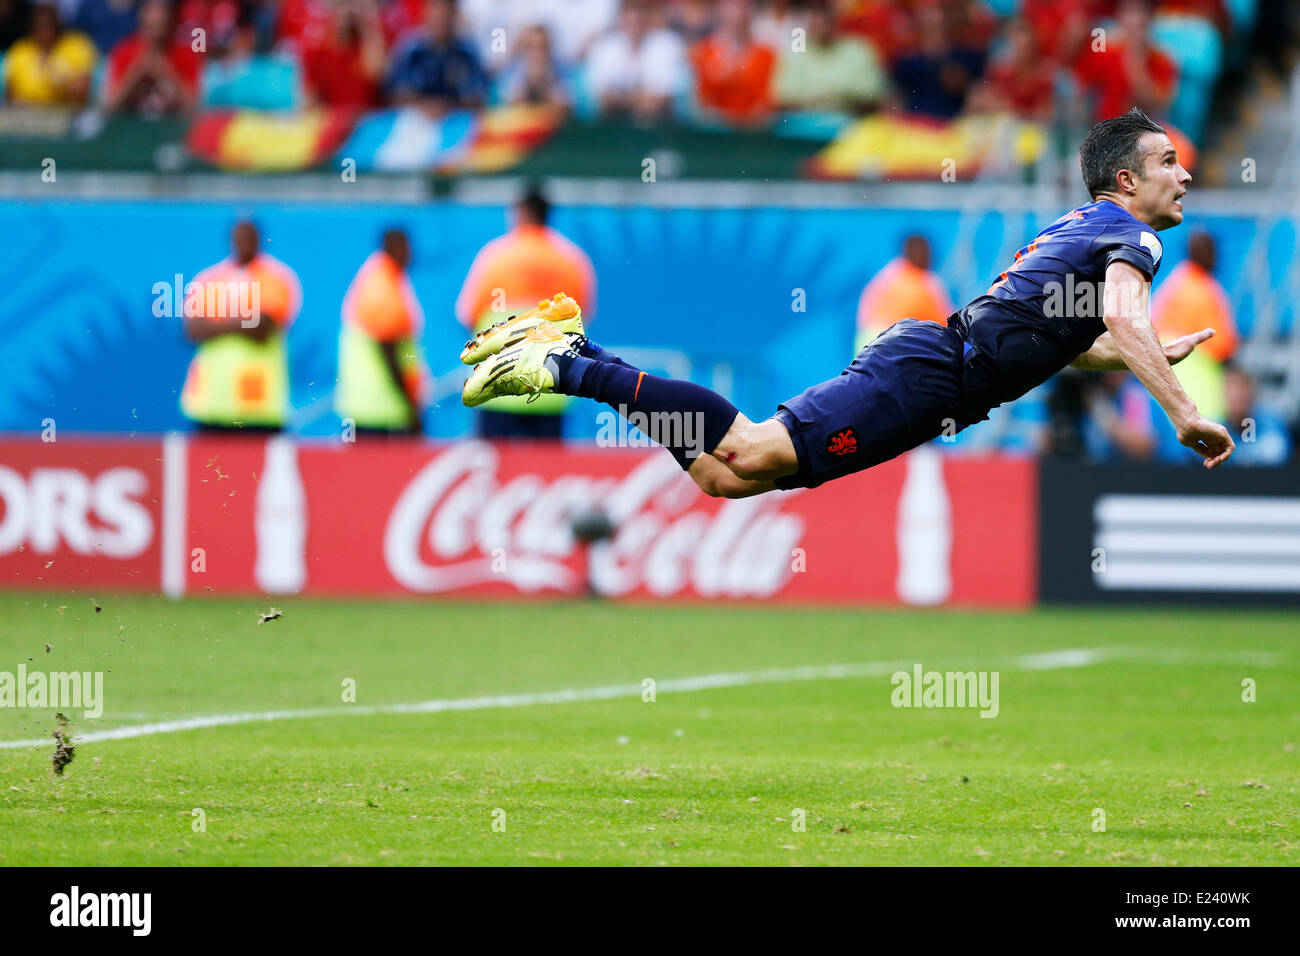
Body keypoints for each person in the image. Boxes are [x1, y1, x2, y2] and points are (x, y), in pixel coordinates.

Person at [461, 109, 1233, 497]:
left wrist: (1133, 353)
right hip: (932, 377)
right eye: (1169, 162)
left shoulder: (1087, 226)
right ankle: (563, 363)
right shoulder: (1134, 239)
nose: (1184, 175)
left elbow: (1067, 333)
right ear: (1125, 182)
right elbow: (1124, 315)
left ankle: (577, 352)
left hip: (936, 373)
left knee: (723, 477)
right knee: (748, 451)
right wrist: (1179, 410)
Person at [455, 185, 596, 439]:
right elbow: (583, 319)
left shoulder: (495, 258)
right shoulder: (572, 261)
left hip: (499, 389)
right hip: (550, 390)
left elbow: (467, 316)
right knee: (545, 472)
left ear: (521, 212)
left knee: (492, 472)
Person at [180, 220, 301, 434]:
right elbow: (193, 331)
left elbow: (260, 328)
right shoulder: (209, 278)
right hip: (212, 406)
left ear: (259, 240)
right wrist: (239, 319)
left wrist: (216, 320)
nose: (244, 243)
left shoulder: (276, 278)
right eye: (239, 237)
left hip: (259, 408)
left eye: (249, 237)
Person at [336, 229, 429, 437]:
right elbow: (390, 351)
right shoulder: (382, 284)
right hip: (382, 410)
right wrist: (412, 407)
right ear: (392, 247)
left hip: (367, 408)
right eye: (405, 247)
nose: (410, 253)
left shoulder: (382, 278)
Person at [1149, 230, 1237, 422]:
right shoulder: (1204, 290)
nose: (1216, 257)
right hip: (1201, 390)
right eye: (1212, 251)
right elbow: (1224, 347)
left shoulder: (1174, 283)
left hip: (1168, 385)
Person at [386, 0, 488, 113]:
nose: (440, 16)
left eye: (446, 9)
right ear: (425, 12)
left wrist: (446, 106)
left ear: (455, 13)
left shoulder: (467, 51)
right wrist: (424, 105)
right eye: (435, 8)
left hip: (456, 119)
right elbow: (396, 94)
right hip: (414, 118)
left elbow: (478, 96)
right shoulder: (410, 49)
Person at [855, 235, 953, 352]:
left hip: (867, 342)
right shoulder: (926, 282)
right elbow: (946, 324)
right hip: (896, 343)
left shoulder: (889, 273)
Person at [103, 0, 200, 115]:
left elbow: (193, 108)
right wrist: (136, 73)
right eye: (150, 28)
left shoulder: (185, 55)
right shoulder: (124, 52)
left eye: (160, 28)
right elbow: (109, 106)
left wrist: (168, 73)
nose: (155, 37)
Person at [2, 1, 97, 105]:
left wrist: (57, 77)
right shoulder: (20, 51)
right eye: (38, 26)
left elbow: (83, 92)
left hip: (69, 113)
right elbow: (10, 96)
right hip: (28, 114)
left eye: (47, 25)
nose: (44, 31)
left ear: (57, 25)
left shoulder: (76, 46)